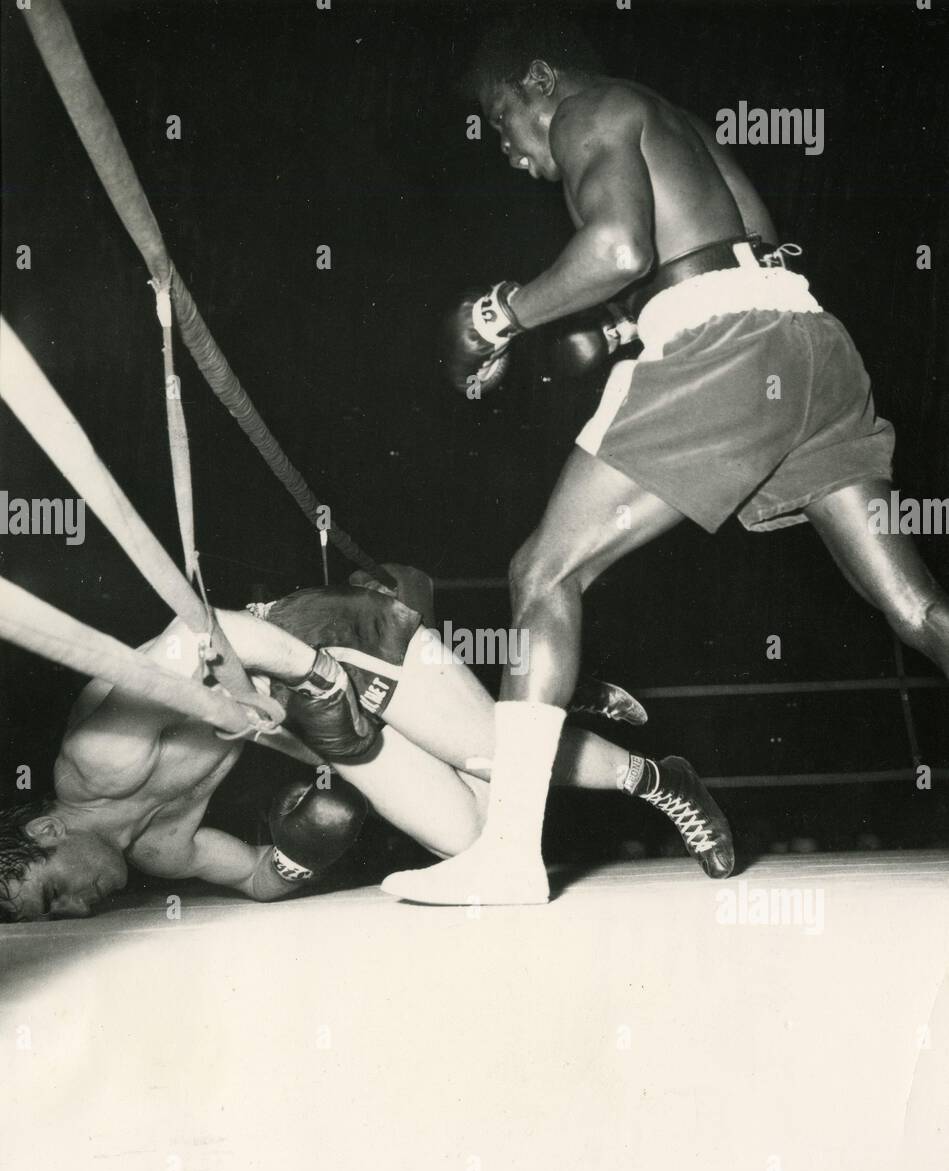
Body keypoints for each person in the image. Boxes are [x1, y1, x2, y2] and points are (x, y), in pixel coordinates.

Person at [380, 12, 949, 906]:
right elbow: (744, 245)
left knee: (543, 571)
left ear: (539, 80)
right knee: (916, 607)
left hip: (724, 347)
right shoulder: (671, 124)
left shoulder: (588, 109)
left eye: (500, 120)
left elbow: (617, 249)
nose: (505, 149)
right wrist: (610, 328)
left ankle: (509, 853)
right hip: (812, 345)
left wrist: (497, 317)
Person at [0, 581, 733, 922]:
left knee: (493, 758)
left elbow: (202, 634)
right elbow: (254, 876)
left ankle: (660, 781)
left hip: (304, 642)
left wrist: (316, 676)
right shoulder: (160, 852)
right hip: (302, 722)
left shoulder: (97, 757)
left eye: (52, 892)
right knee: (479, 840)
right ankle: (543, 705)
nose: (76, 909)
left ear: (45, 829)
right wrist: (302, 850)